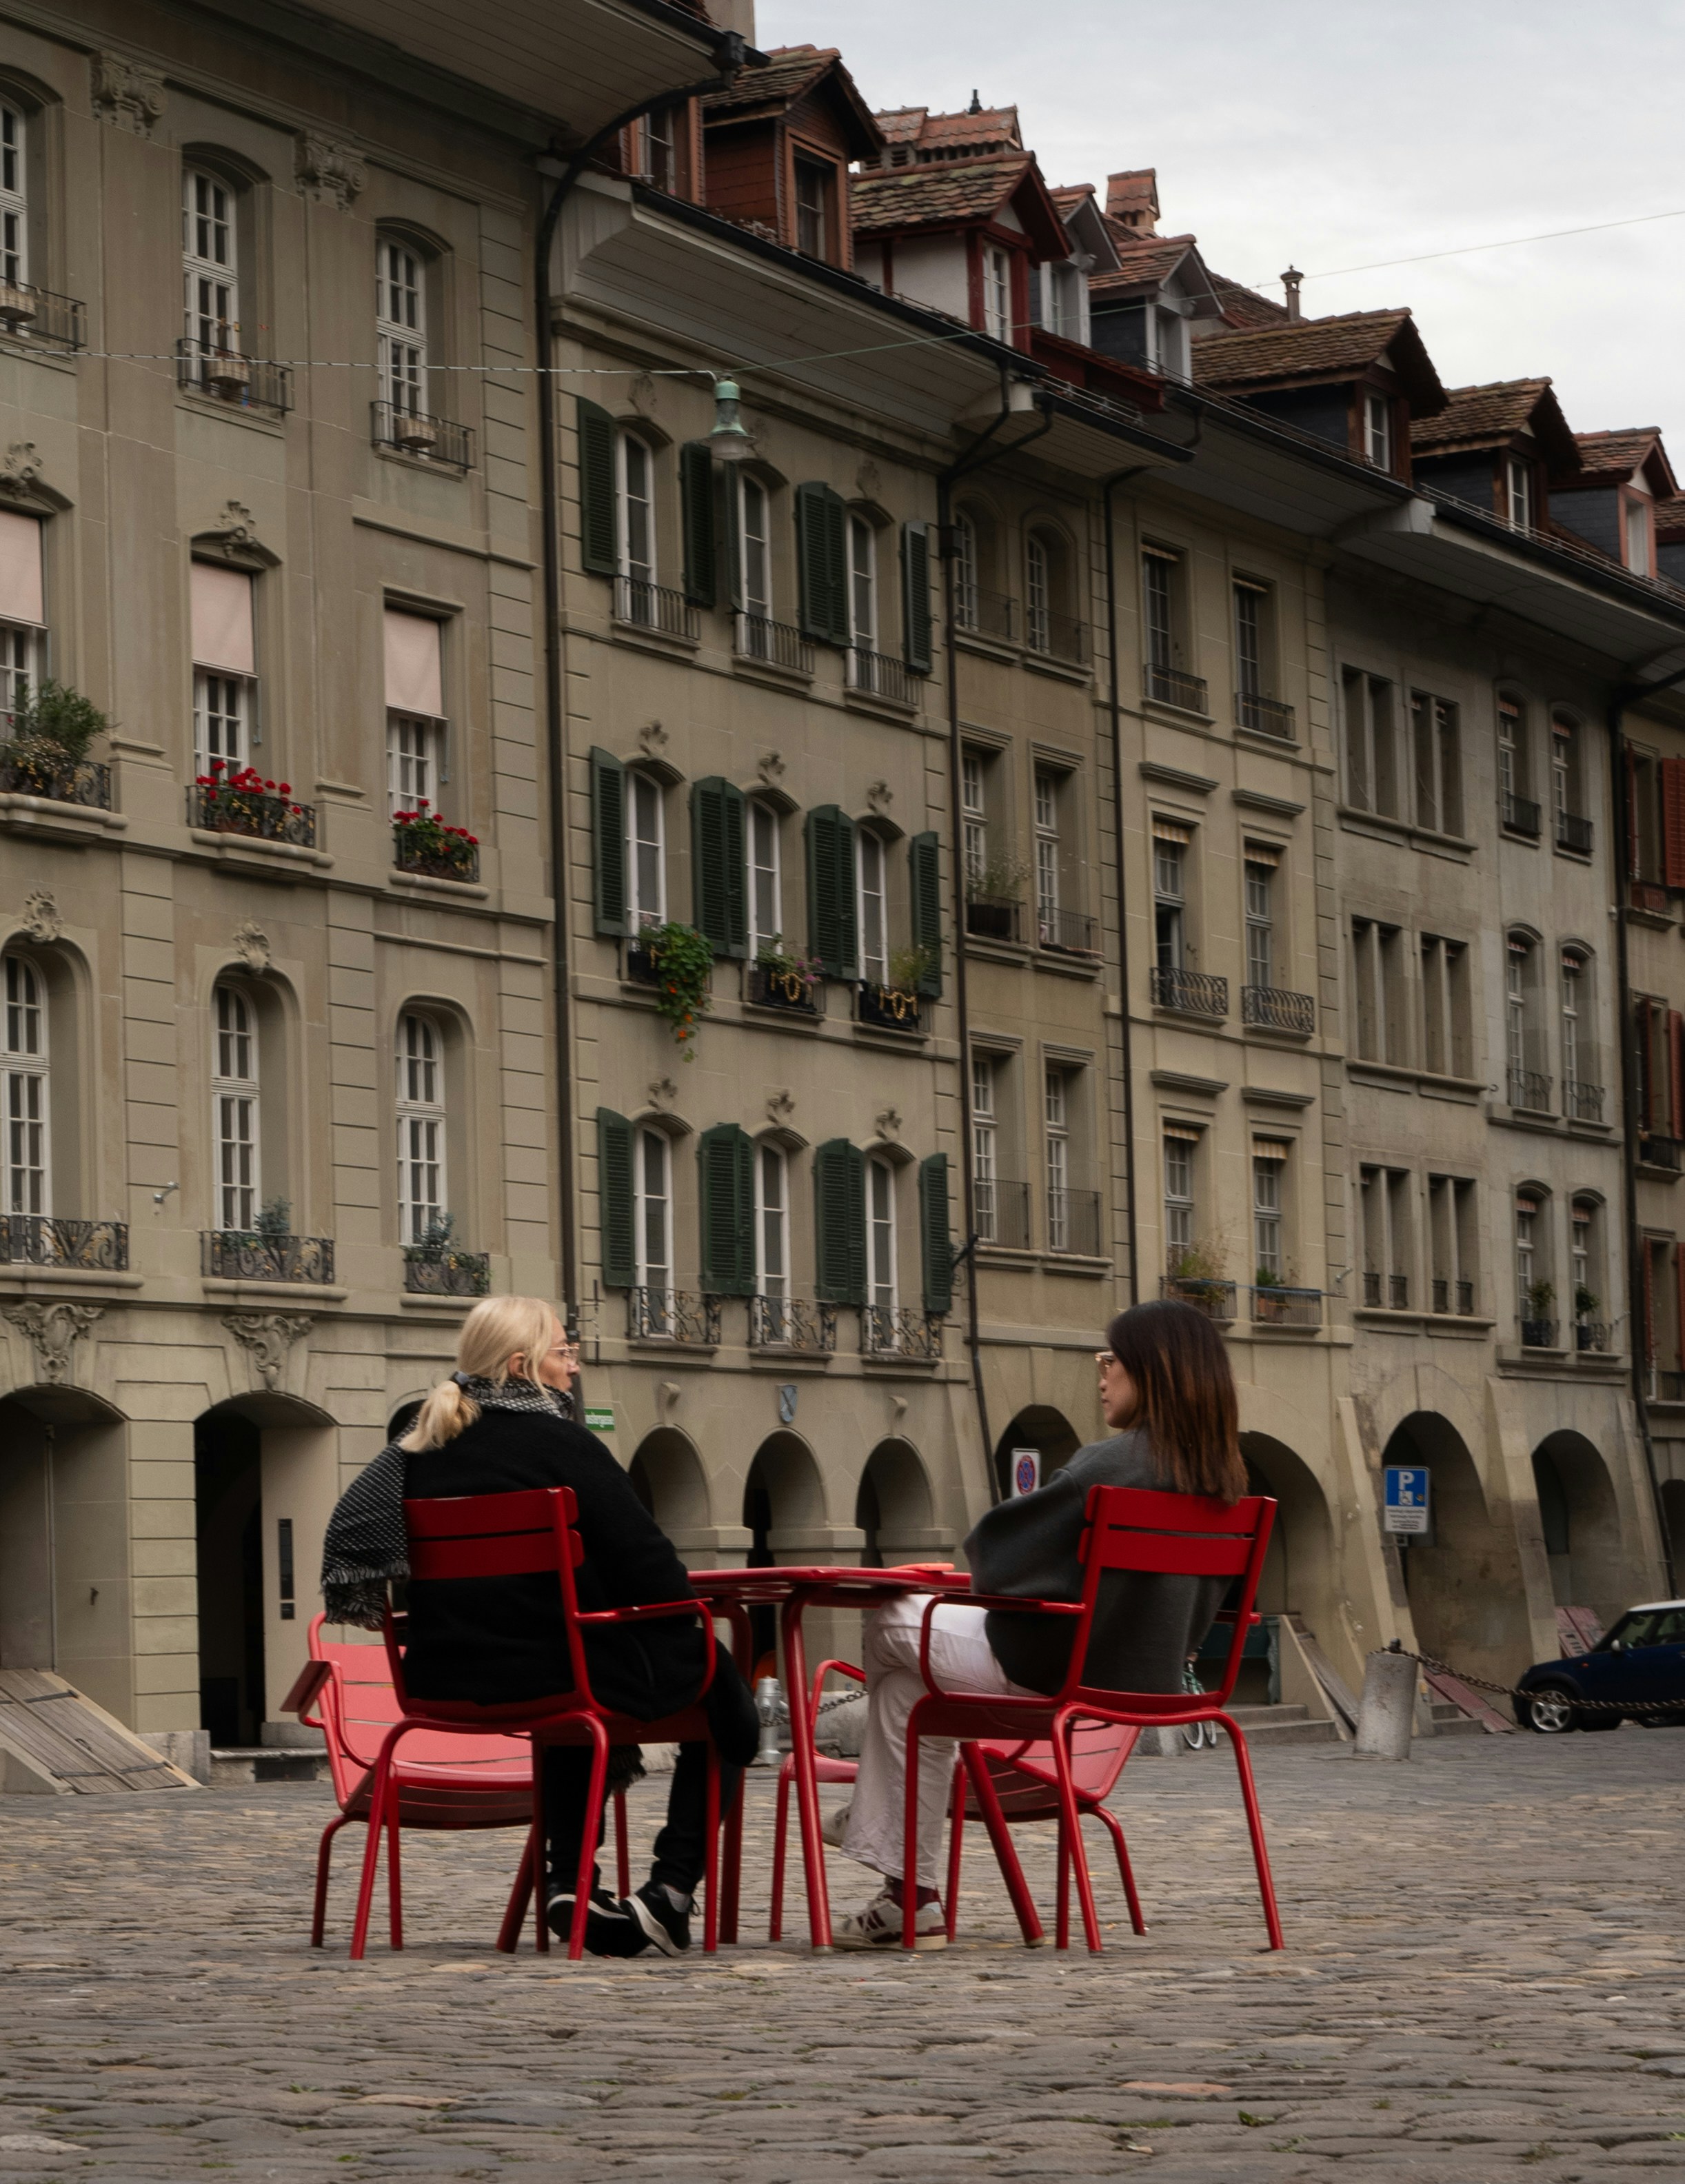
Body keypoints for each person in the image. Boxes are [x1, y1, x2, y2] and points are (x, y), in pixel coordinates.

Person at [320, 1295, 758, 1958]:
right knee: (720, 1684)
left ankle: (567, 1880)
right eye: (565, 1353)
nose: (573, 1370)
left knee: (580, 1682)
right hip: (560, 1671)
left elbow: (355, 1539)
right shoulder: (563, 1444)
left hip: (445, 1674)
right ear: (523, 1365)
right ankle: (670, 1892)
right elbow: (651, 1570)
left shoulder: (417, 1447)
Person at [831, 1297, 1247, 1950]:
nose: (1101, 1373)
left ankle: (879, 1823)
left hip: (1053, 1677)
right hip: (1154, 1684)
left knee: (890, 1620)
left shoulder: (1109, 1467)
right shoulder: (1226, 1484)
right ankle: (910, 1896)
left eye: (1110, 1360)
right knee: (913, 1698)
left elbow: (997, 1559)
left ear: (1151, 1372)